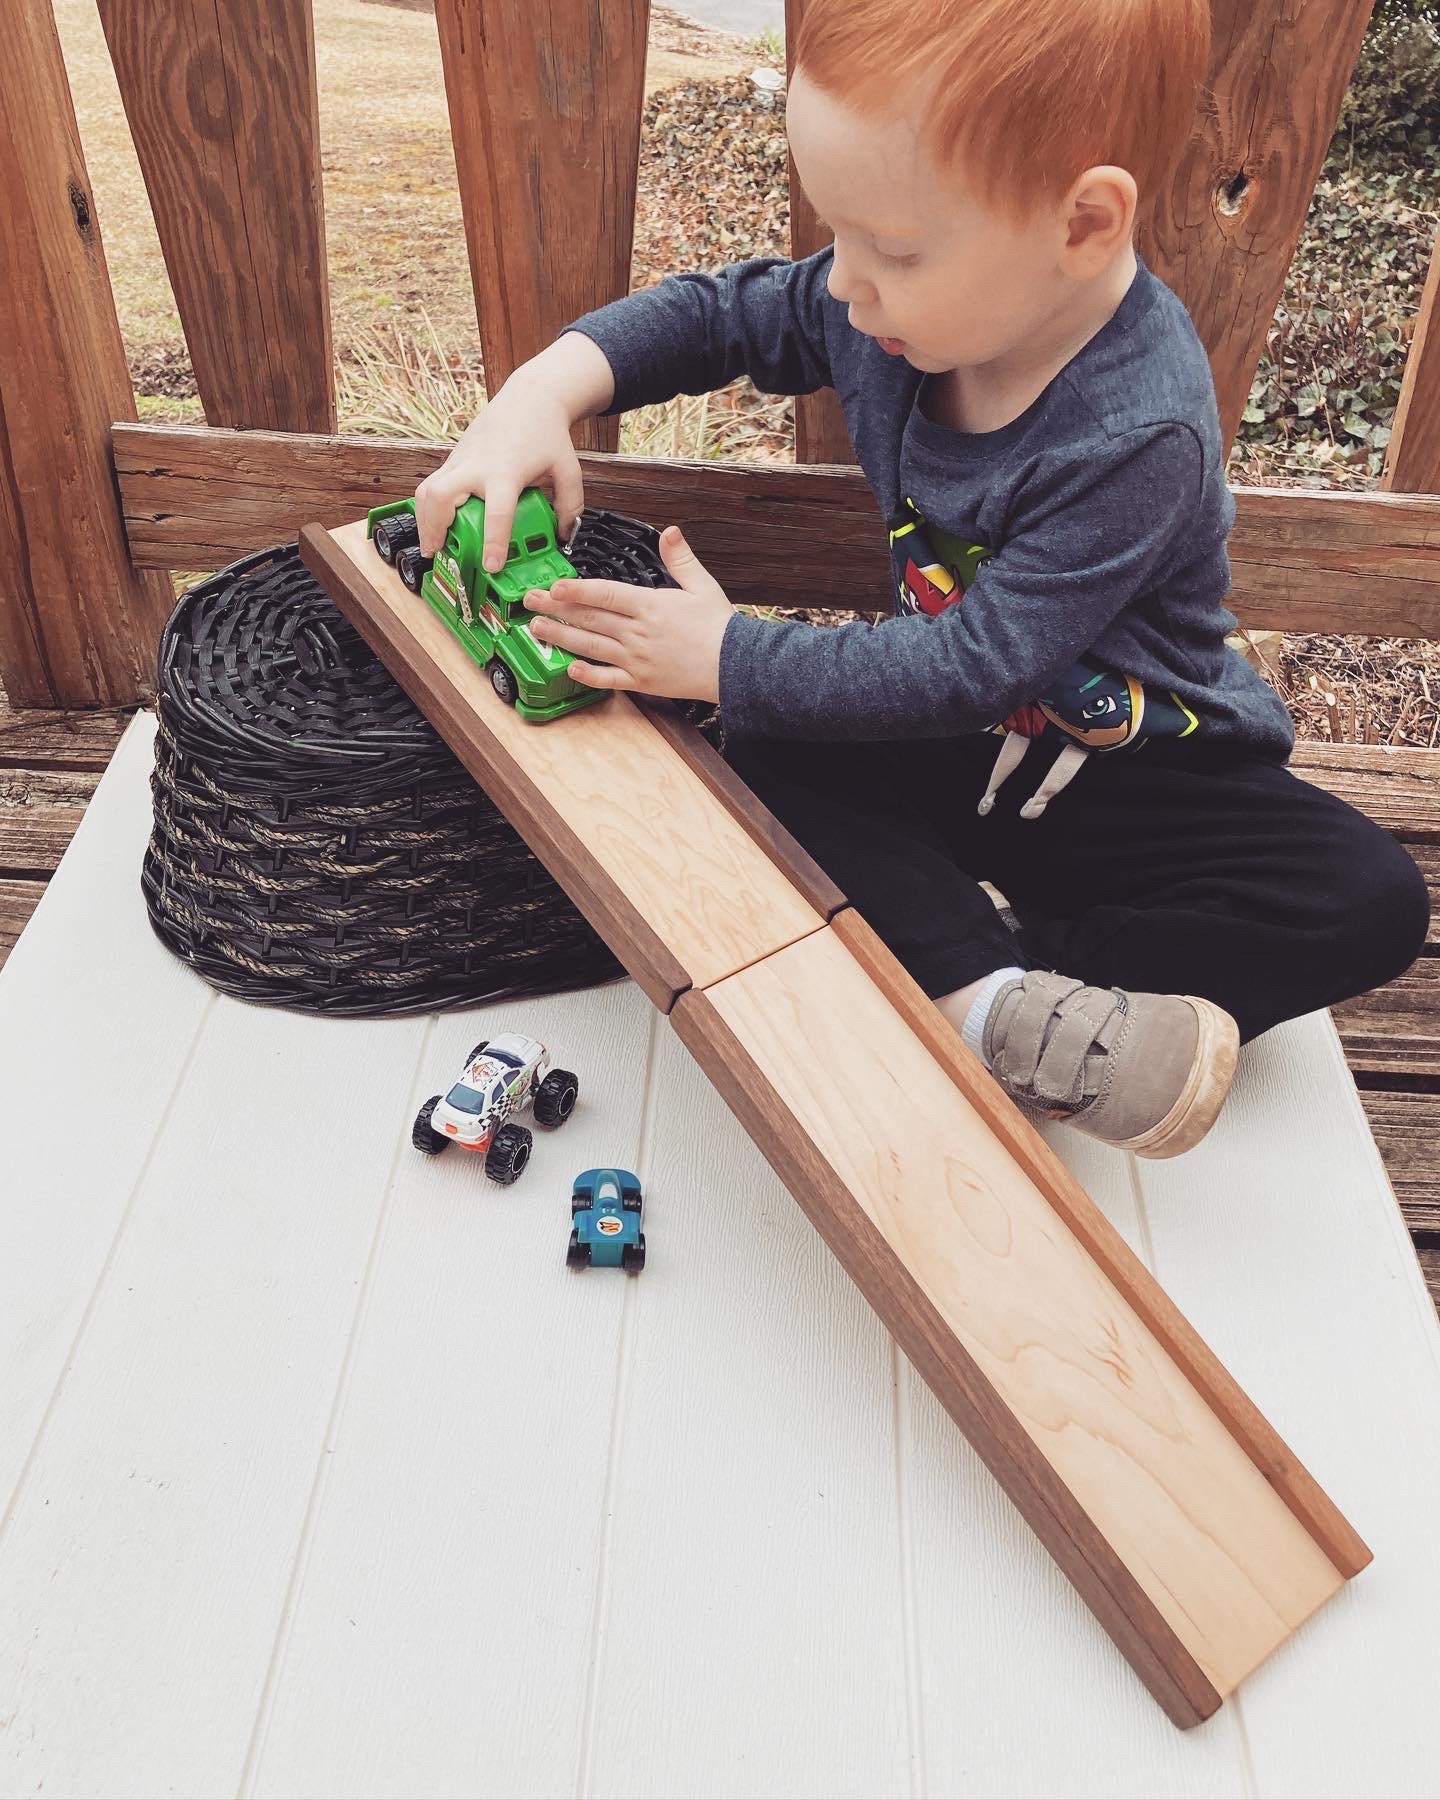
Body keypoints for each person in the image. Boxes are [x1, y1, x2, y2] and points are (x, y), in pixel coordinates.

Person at [414, 0, 1431, 1159]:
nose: (845, 286)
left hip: (1138, 775)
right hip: (955, 744)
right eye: (837, 233)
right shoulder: (887, 314)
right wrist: (541, 394)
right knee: (771, 735)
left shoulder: (1137, 429)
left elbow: (977, 662)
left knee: (1369, 899)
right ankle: (987, 992)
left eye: (892, 249)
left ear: (1084, 224)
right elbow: (723, 311)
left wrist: (728, 651)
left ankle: (983, 981)